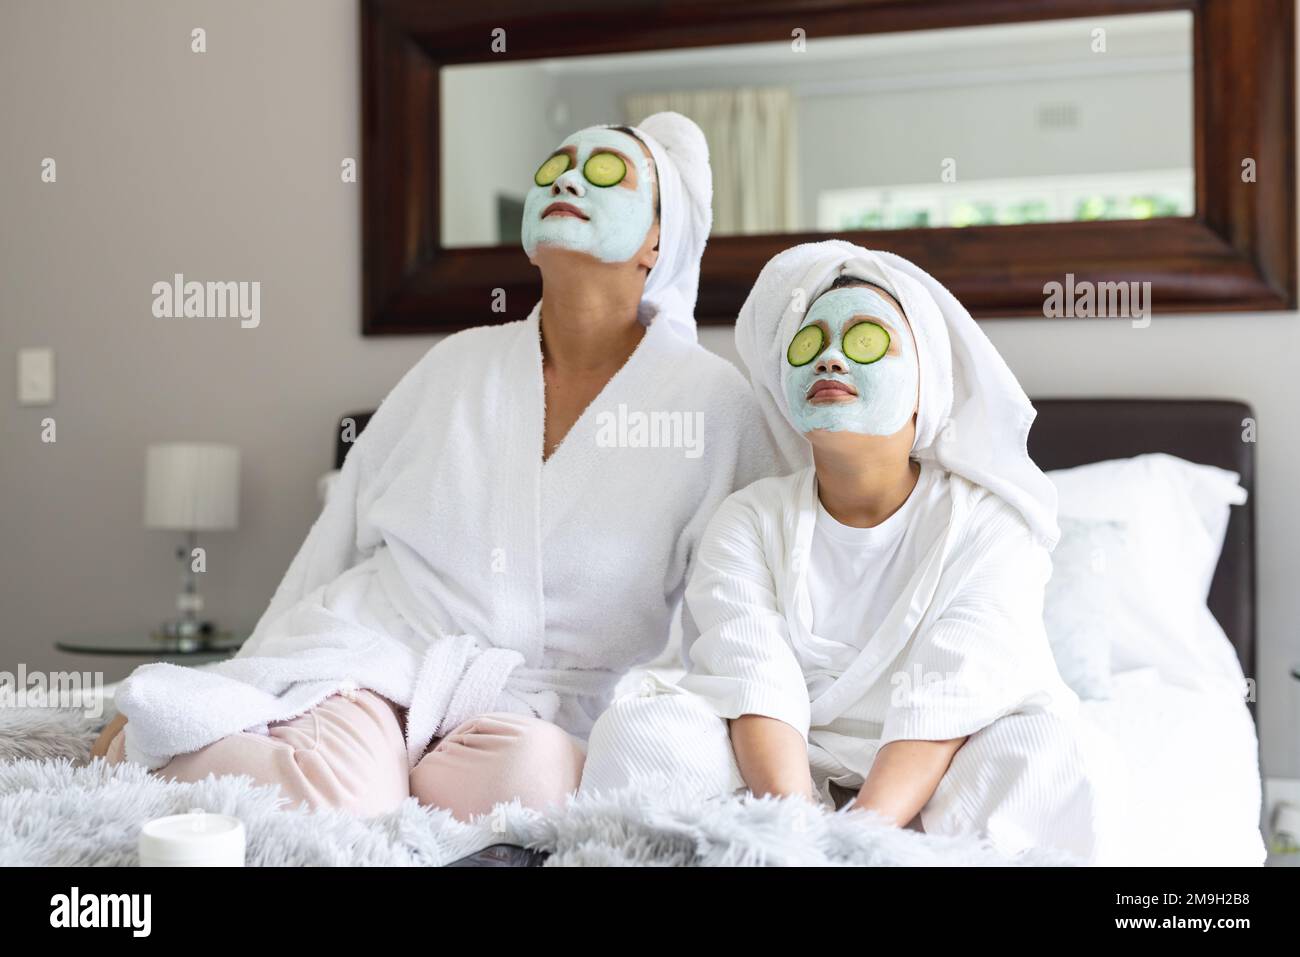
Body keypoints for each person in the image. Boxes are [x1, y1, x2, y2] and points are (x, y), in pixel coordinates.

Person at [93, 113, 789, 822]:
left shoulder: (713, 405)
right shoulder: (458, 365)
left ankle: (401, 770)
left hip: (530, 703)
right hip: (376, 658)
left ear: (656, 242)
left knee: (541, 785)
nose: (570, 178)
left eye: (607, 171)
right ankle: (156, 741)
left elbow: (753, 598)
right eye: (554, 169)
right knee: (342, 799)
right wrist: (250, 672)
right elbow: (338, 537)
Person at [577, 240, 1123, 863]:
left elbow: (948, 696)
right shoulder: (749, 520)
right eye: (809, 344)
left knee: (1049, 752)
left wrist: (857, 842)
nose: (831, 357)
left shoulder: (989, 523)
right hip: (779, 771)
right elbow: (758, 684)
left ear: (925, 386)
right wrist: (802, 835)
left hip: (941, 764)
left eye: (864, 340)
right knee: (643, 728)